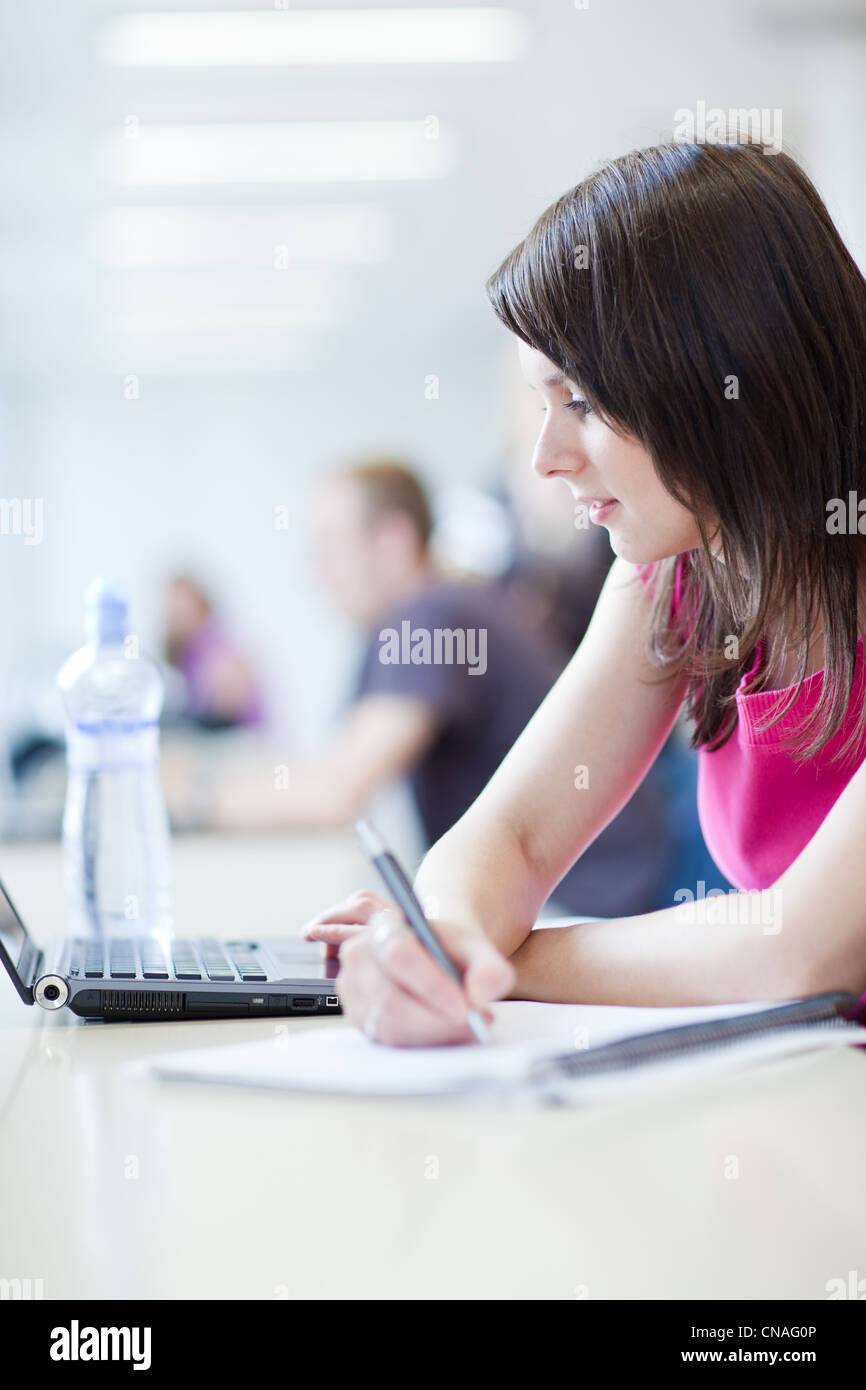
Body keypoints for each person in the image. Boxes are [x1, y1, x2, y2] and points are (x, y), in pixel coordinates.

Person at [303, 133, 866, 1045]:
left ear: (719, 375)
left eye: (584, 403)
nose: (546, 458)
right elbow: (512, 838)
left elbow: (801, 949)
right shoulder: (673, 579)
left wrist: (493, 962)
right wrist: (444, 933)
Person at [211, 458, 672, 918]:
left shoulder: (432, 618)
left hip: (590, 902)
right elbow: (334, 764)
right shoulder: (435, 611)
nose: (318, 573)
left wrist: (191, 795)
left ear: (393, 541)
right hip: (566, 889)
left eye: (331, 547)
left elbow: (338, 791)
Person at [164, 574, 266, 730]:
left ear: (200, 608)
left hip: (242, 741)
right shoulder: (186, 652)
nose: (176, 621)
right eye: (173, 614)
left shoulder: (216, 648)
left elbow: (228, 703)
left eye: (182, 612)